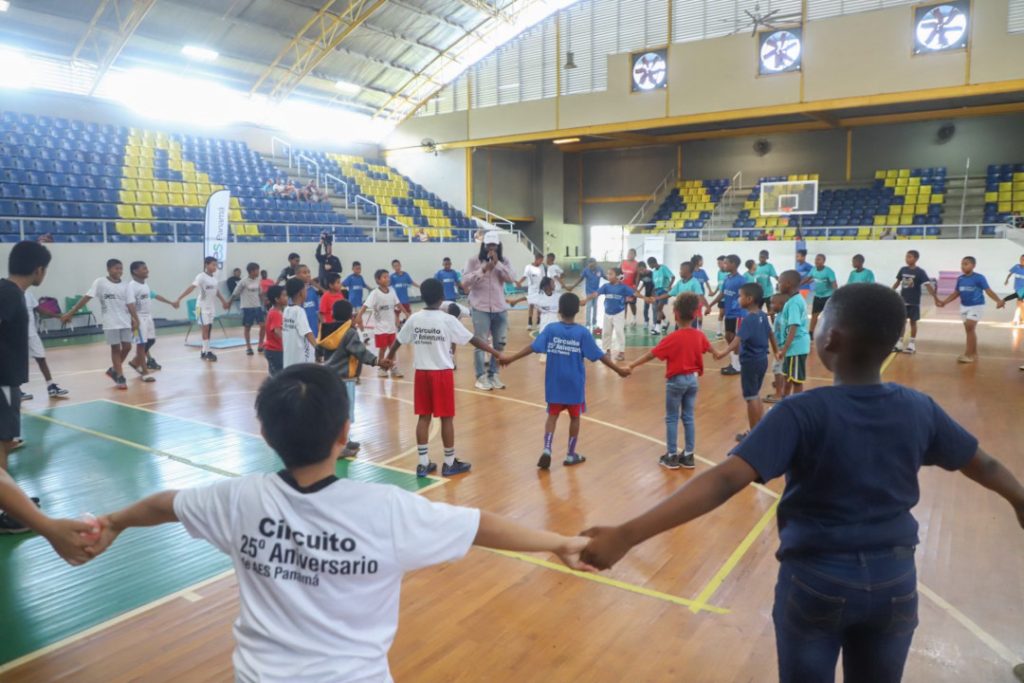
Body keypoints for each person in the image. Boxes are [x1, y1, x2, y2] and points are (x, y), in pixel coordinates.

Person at [578, 283, 1024, 683]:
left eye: (819, 321)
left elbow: (726, 479)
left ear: (830, 338)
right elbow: (982, 463)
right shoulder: (918, 407)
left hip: (817, 580)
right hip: (895, 581)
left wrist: (627, 534)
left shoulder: (801, 412)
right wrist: (1020, 499)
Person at [87, 363, 591, 683]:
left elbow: (165, 504)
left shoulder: (237, 500)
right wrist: (560, 541)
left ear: (264, 433)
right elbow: (480, 525)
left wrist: (114, 521)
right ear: (345, 432)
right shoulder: (386, 510)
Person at [388, 279, 502, 478]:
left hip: (421, 373)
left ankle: (423, 463)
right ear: (442, 298)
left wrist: (389, 358)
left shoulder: (414, 318)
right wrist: (496, 353)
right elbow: (473, 339)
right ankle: (449, 463)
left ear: (422, 297)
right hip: (441, 374)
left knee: (424, 417)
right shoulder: (447, 320)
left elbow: (398, 341)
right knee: (446, 418)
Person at [501, 293, 629, 469]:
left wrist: (511, 358)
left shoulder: (551, 330)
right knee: (575, 417)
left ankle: (547, 449)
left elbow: (533, 347)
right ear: (577, 310)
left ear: (559, 310)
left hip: (555, 383)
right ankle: (570, 454)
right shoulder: (582, 333)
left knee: (552, 416)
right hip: (574, 384)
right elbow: (599, 355)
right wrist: (618, 370)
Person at [628, 293, 724, 470]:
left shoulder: (672, 338)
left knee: (672, 418)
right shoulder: (699, 335)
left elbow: (651, 355)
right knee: (688, 417)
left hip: (676, 381)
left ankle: (671, 455)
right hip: (693, 381)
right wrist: (719, 353)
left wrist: (632, 365)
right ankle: (688, 455)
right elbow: (712, 350)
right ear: (695, 314)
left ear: (676, 314)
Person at [1, 241, 52, 531]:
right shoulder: (9, 294)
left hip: (7, 381)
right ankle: (6, 511)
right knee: (1, 444)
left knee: (6, 442)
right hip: (3, 381)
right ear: (38, 270)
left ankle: (10, 501)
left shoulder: (8, 292)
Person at [322, 298, 390, 459]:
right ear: (350, 316)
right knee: (345, 413)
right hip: (345, 378)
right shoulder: (350, 332)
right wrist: (377, 361)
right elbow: (360, 351)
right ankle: (340, 446)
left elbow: (319, 350)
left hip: (330, 377)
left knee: (338, 411)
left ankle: (345, 440)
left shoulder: (326, 329)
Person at [62, 258, 139, 388]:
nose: (119, 271)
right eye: (116, 268)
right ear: (108, 269)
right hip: (110, 322)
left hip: (125, 321)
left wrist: (136, 319)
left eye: (121, 268)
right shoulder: (100, 282)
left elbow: (130, 303)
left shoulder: (126, 285)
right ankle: (120, 376)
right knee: (115, 348)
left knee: (127, 347)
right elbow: (87, 297)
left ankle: (114, 369)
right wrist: (71, 312)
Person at [717, 283, 777, 441]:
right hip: (762, 360)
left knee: (751, 397)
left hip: (751, 362)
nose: (738, 299)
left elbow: (737, 340)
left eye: (740, 296)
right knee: (755, 394)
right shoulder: (762, 315)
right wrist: (776, 351)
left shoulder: (748, 319)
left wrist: (723, 352)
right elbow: (771, 334)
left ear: (749, 299)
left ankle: (753, 435)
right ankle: (760, 429)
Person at [462, 231, 515, 391]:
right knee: (481, 343)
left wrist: (497, 264)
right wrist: (483, 269)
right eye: (488, 245)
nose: (491, 248)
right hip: (480, 307)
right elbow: (465, 282)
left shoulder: (504, 261)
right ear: (483, 246)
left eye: (494, 246)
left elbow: (511, 279)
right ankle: (480, 376)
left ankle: (494, 374)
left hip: (499, 307)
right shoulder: (473, 261)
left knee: (499, 343)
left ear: (498, 246)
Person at [935, 256, 1005, 363]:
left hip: (976, 306)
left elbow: (988, 291)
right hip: (964, 306)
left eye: (966, 264)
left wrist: (998, 300)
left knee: (970, 327)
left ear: (973, 265)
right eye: (962, 264)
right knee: (970, 331)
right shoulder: (960, 279)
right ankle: (974, 353)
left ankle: (968, 355)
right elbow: (956, 293)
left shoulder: (979, 278)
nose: (963, 266)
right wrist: (945, 302)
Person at [127, 261, 177, 384]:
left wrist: (171, 302)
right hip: (138, 317)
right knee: (141, 345)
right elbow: (130, 304)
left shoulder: (145, 285)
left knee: (151, 341)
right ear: (135, 271)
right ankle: (144, 372)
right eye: (144, 268)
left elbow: (155, 295)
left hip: (148, 317)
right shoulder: (131, 286)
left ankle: (135, 362)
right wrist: (134, 319)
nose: (147, 270)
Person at [173, 256, 228, 362]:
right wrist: (179, 298)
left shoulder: (214, 279)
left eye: (216, 265)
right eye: (213, 265)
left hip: (211, 307)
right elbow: (191, 288)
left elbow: (216, 291)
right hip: (201, 307)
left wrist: (223, 301)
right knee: (205, 329)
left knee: (209, 329)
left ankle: (204, 351)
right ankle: (207, 352)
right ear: (206, 265)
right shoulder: (201, 276)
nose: (215, 267)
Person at [585, 268, 646, 361]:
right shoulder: (605, 286)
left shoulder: (623, 287)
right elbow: (595, 294)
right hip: (607, 313)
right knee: (606, 332)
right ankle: (607, 351)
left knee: (619, 332)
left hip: (619, 313)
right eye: (608, 274)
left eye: (610, 274)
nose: (608, 276)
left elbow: (635, 294)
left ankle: (621, 352)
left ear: (617, 276)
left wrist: (646, 298)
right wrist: (585, 300)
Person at [22, 288, 69, 399]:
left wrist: (59, 316)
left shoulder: (28, 294)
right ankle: (15, 391)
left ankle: (51, 386)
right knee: (15, 363)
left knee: (41, 359)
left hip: (32, 334)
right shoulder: (8, 293)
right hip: (15, 335)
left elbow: (40, 309)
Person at [705, 254, 746, 376]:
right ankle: (734, 362)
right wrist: (710, 305)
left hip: (738, 314)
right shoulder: (727, 278)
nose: (724, 265)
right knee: (728, 337)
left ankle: (737, 366)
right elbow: (722, 294)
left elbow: (747, 296)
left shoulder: (742, 280)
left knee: (734, 339)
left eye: (726, 263)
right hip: (729, 313)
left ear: (734, 264)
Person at [357, 269, 402, 379]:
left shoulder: (392, 291)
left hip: (391, 328)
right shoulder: (375, 293)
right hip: (380, 328)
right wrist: (359, 316)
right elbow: (365, 305)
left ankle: (393, 367)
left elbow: (398, 304)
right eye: (384, 277)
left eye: (388, 276)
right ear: (378, 280)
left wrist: (406, 314)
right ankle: (381, 368)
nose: (387, 279)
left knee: (392, 349)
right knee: (382, 349)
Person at [774, 271, 811, 397]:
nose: (778, 285)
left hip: (796, 347)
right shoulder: (793, 300)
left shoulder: (794, 303)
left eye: (780, 282)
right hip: (792, 348)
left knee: (796, 380)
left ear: (788, 284)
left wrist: (784, 349)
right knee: (787, 377)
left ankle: (796, 405)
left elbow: (793, 327)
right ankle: (784, 403)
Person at [892, 249, 936, 354]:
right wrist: (890, 292)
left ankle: (911, 344)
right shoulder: (903, 270)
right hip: (903, 301)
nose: (907, 259)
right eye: (906, 257)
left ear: (916, 259)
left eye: (909, 257)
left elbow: (928, 285)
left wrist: (936, 298)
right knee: (902, 322)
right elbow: (897, 282)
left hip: (914, 302)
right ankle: (899, 343)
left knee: (913, 322)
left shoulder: (920, 272)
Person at [227, 262, 266, 356]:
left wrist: (264, 302)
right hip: (247, 307)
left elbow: (260, 293)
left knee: (263, 326)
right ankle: (248, 347)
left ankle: (261, 345)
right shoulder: (243, 281)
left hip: (257, 307)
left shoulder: (258, 280)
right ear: (251, 271)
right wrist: (229, 303)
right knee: (247, 327)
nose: (258, 272)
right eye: (257, 270)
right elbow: (235, 293)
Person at [655, 261, 707, 331]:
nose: (680, 272)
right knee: (678, 331)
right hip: (680, 312)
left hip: (690, 313)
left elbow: (700, 296)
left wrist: (707, 307)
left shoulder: (694, 282)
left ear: (687, 271)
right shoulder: (680, 282)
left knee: (690, 332)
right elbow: (669, 294)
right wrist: (656, 298)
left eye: (681, 270)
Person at [282, 278, 317, 368]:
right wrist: (318, 348)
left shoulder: (286, 310)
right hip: (301, 359)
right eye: (305, 289)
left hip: (289, 358)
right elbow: (307, 333)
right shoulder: (299, 311)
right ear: (300, 292)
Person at [803, 253, 837, 339]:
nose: (816, 261)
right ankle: (811, 333)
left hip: (827, 297)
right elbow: (807, 278)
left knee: (829, 316)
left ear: (823, 261)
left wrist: (836, 296)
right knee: (814, 315)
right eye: (816, 259)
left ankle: (830, 333)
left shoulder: (829, 271)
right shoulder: (813, 270)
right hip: (817, 296)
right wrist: (797, 285)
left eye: (819, 259)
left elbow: (834, 284)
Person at [764, 293, 789, 405]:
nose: (771, 305)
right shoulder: (780, 315)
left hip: (781, 349)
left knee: (777, 369)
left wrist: (779, 350)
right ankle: (781, 389)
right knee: (781, 369)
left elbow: (784, 335)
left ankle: (778, 394)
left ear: (781, 304)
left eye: (773, 303)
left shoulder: (782, 319)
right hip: (781, 348)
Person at [295, 264, 321, 359]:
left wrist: (321, 323)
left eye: (309, 272)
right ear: (297, 275)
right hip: (302, 330)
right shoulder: (295, 293)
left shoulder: (312, 291)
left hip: (313, 327)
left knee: (314, 354)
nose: (308, 275)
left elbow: (317, 310)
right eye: (305, 272)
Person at [647, 256, 675, 335]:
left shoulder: (663, 268)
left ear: (653, 263)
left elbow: (673, 277)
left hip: (664, 291)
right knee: (657, 308)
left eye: (649, 265)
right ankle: (666, 322)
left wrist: (669, 286)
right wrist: (652, 294)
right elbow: (654, 284)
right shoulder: (654, 272)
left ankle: (657, 328)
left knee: (659, 308)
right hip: (657, 292)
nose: (649, 266)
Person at [573, 258, 604, 330]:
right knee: (589, 307)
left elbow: (604, 276)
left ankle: (594, 323)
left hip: (596, 292)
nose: (591, 267)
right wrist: (573, 286)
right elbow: (580, 279)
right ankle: (587, 324)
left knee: (595, 307)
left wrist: (613, 281)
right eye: (590, 265)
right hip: (589, 292)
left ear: (595, 264)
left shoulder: (599, 269)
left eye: (592, 265)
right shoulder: (586, 270)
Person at [518, 253, 545, 331]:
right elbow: (524, 276)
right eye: (541, 260)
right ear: (536, 259)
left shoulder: (542, 267)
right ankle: (529, 323)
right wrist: (519, 282)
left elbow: (543, 277)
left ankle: (538, 322)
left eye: (542, 261)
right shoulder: (528, 267)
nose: (541, 262)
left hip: (540, 289)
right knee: (531, 305)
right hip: (532, 290)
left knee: (539, 306)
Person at [263, 285, 286, 375]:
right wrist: (287, 341)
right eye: (284, 295)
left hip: (275, 350)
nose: (287, 298)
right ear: (277, 299)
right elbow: (277, 331)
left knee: (276, 374)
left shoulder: (276, 311)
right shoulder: (275, 313)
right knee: (278, 375)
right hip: (275, 350)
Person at [1002, 254, 1024, 327]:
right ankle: (1021, 318)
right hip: (1017, 288)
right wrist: (1007, 280)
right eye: (1021, 259)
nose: (1021, 261)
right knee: (1021, 303)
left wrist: (1004, 299)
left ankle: (1016, 319)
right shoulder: (1016, 267)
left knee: (1019, 302)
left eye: (1023, 260)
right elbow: (1010, 274)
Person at [620, 248, 639, 327]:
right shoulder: (623, 262)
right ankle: (624, 321)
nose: (630, 255)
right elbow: (619, 272)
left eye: (632, 253)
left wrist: (636, 286)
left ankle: (634, 318)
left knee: (632, 304)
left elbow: (638, 276)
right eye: (629, 253)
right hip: (622, 287)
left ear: (635, 255)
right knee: (623, 304)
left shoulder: (637, 264)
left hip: (631, 287)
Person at [635, 262, 654, 331]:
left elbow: (655, 283)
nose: (641, 271)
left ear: (645, 267)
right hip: (647, 292)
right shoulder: (641, 274)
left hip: (653, 292)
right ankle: (646, 321)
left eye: (642, 269)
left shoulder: (651, 273)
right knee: (645, 308)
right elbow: (644, 283)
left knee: (655, 308)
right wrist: (639, 290)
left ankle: (655, 323)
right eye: (639, 270)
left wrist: (653, 294)